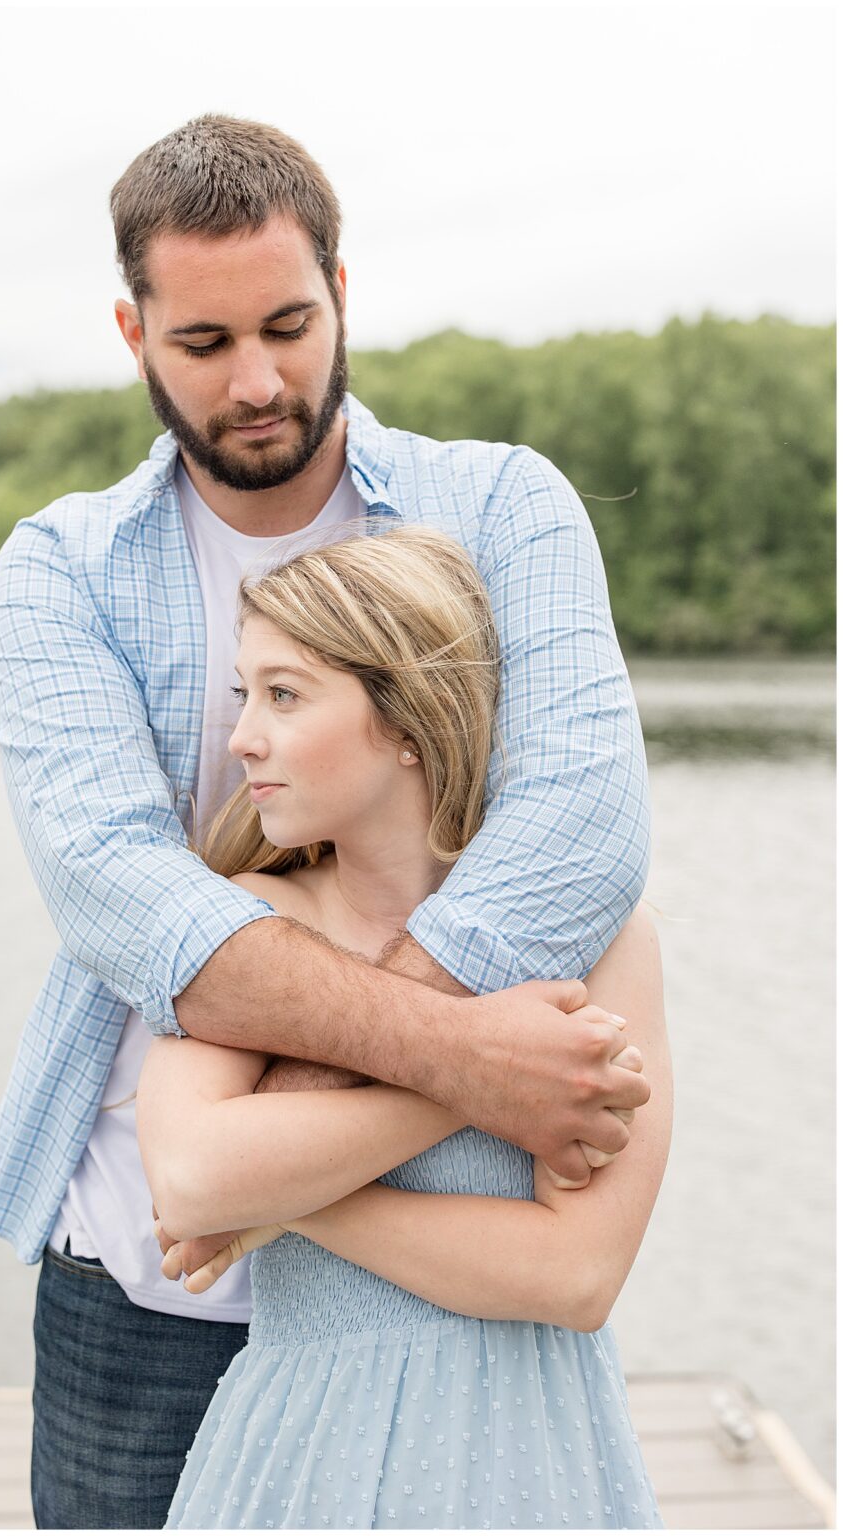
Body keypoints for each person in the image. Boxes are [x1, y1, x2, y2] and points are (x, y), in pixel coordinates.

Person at [0, 115, 652, 1529]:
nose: (261, 379)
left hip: (427, 1277)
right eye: (205, 343)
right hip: (154, 1264)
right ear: (133, 330)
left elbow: (585, 817)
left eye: (289, 323)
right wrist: (469, 1056)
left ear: (344, 288)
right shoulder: (61, 570)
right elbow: (128, 899)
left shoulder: (501, 507)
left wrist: (285, 1151)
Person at [140, 526, 670, 1529]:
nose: (241, 737)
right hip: (303, 1462)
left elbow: (574, 1275)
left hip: (532, 1462)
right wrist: (485, 1059)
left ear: (406, 721)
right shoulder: (247, 928)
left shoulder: (597, 931)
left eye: (283, 695)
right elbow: (191, 1183)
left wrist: (288, 1202)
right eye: (240, 697)